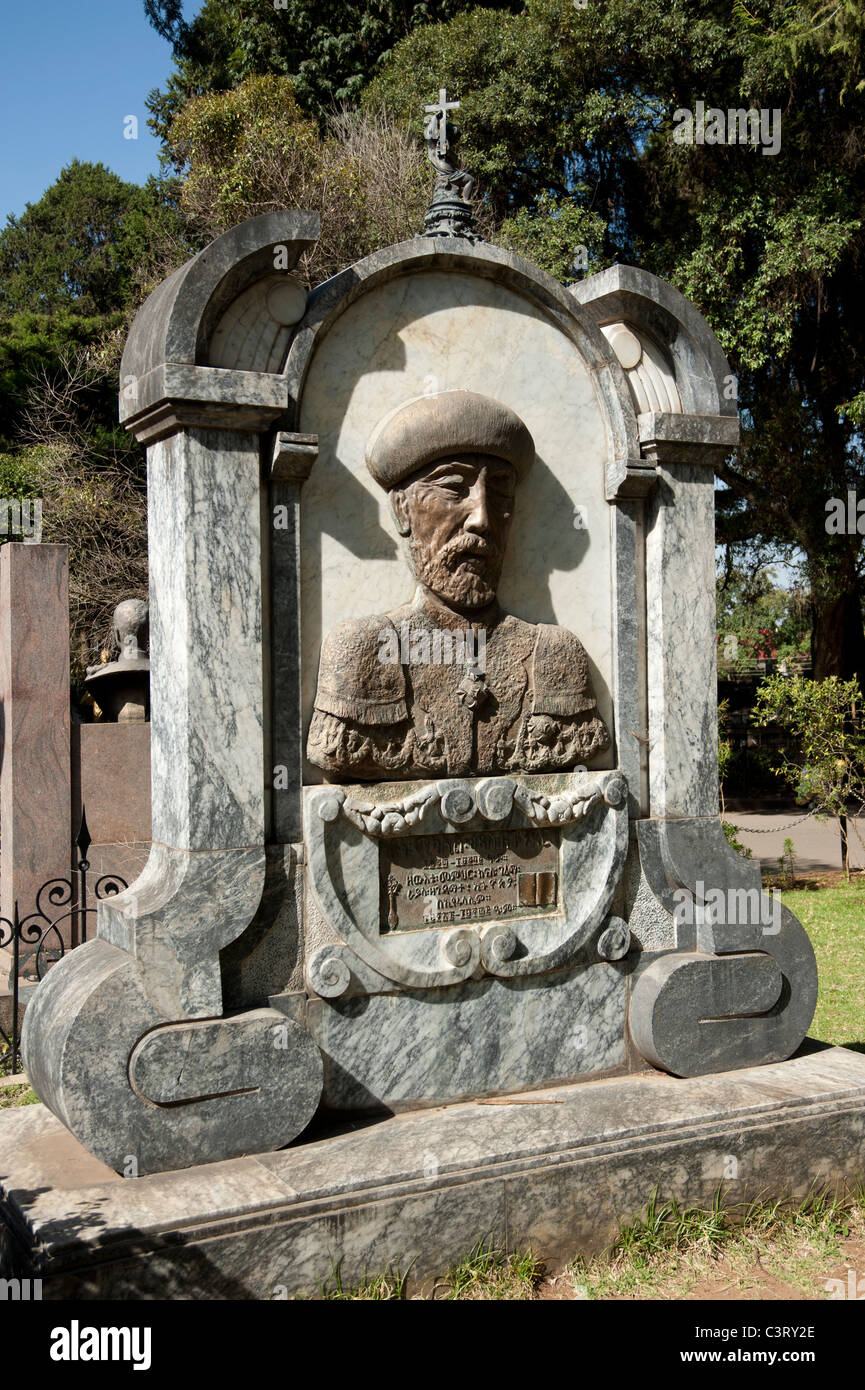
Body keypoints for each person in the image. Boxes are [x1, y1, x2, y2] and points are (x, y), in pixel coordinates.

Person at [307, 390, 609, 780]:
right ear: (402, 509)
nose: (481, 518)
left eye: (499, 489)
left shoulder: (554, 656)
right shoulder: (363, 651)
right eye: (453, 487)